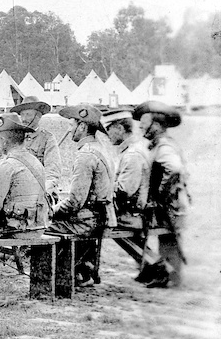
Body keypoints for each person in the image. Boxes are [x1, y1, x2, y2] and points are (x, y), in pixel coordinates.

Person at [0, 113, 49, 295]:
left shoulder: (7, 164)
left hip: (19, 227)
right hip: (39, 225)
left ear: (3, 140)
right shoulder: (35, 162)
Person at [48, 104, 116, 286]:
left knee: (44, 228)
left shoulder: (85, 155)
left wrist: (50, 211)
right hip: (100, 216)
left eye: (72, 125)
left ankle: (60, 280)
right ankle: (82, 270)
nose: (69, 129)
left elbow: (75, 202)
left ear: (82, 126)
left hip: (87, 220)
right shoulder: (100, 149)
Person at [132, 101, 190, 289]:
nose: (140, 126)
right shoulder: (161, 145)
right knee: (166, 239)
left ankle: (170, 277)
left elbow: (174, 169)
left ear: (156, 125)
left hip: (170, 205)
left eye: (144, 122)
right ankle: (168, 276)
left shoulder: (164, 146)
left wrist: (160, 193)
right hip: (171, 203)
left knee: (168, 238)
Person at [102, 108, 153, 276]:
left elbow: (125, 191)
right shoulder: (131, 151)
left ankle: (84, 270)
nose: (107, 134)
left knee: (88, 220)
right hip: (133, 213)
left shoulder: (132, 155)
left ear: (120, 129)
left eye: (108, 129)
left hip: (132, 215)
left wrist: (101, 189)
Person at [8, 95, 63, 200]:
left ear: (38, 116)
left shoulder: (47, 139)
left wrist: (42, 193)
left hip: (39, 194)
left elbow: (52, 173)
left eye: (28, 115)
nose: (23, 119)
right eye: (22, 115)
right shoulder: (15, 138)